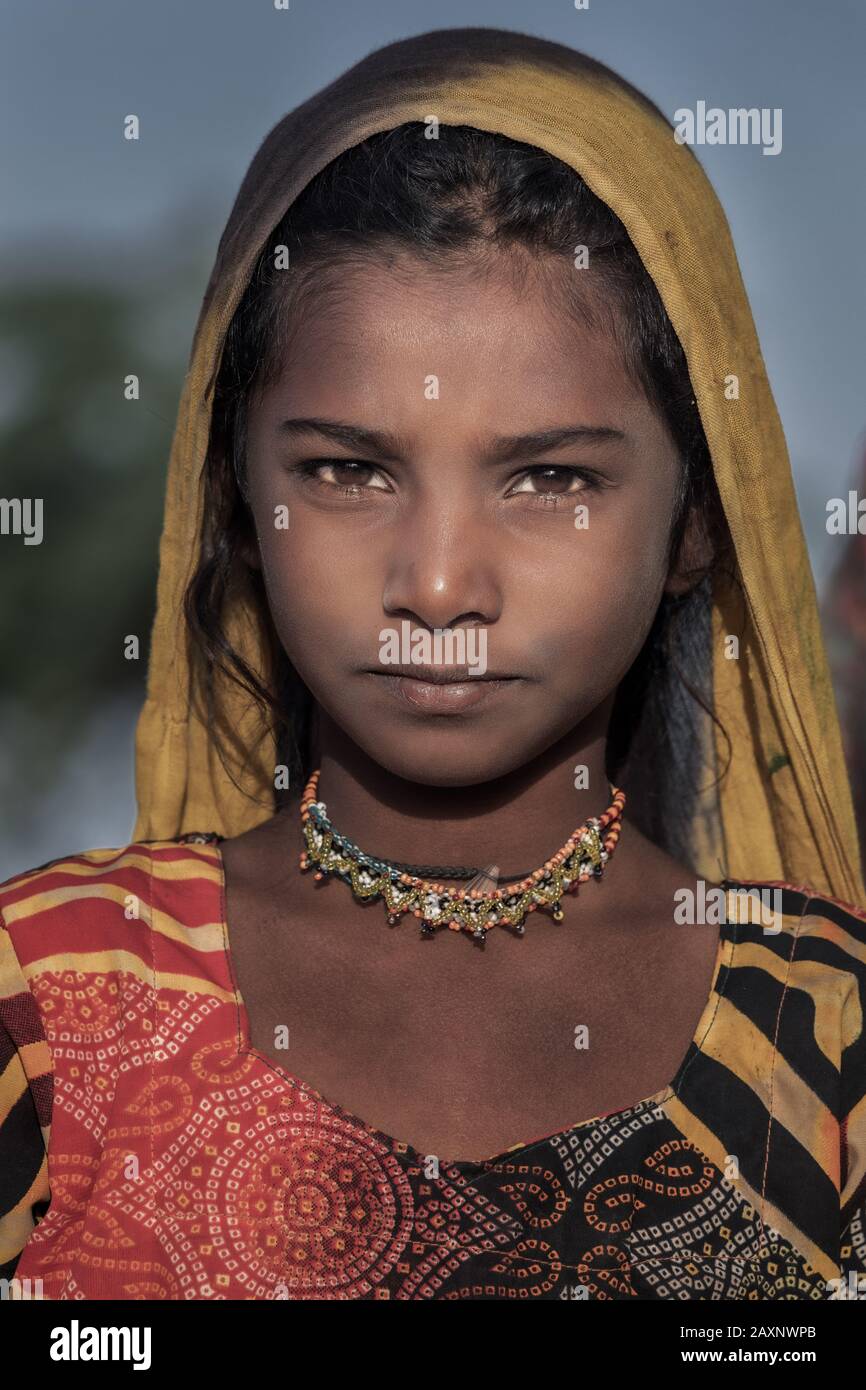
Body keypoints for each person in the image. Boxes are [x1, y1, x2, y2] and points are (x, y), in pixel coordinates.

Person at [2, 27, 865, 1302]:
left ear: (692, 523)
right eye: (347, 471)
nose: (440, 585)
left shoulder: (827, 1034)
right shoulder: (47, 1004)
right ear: (235, 504)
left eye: (549, 478)